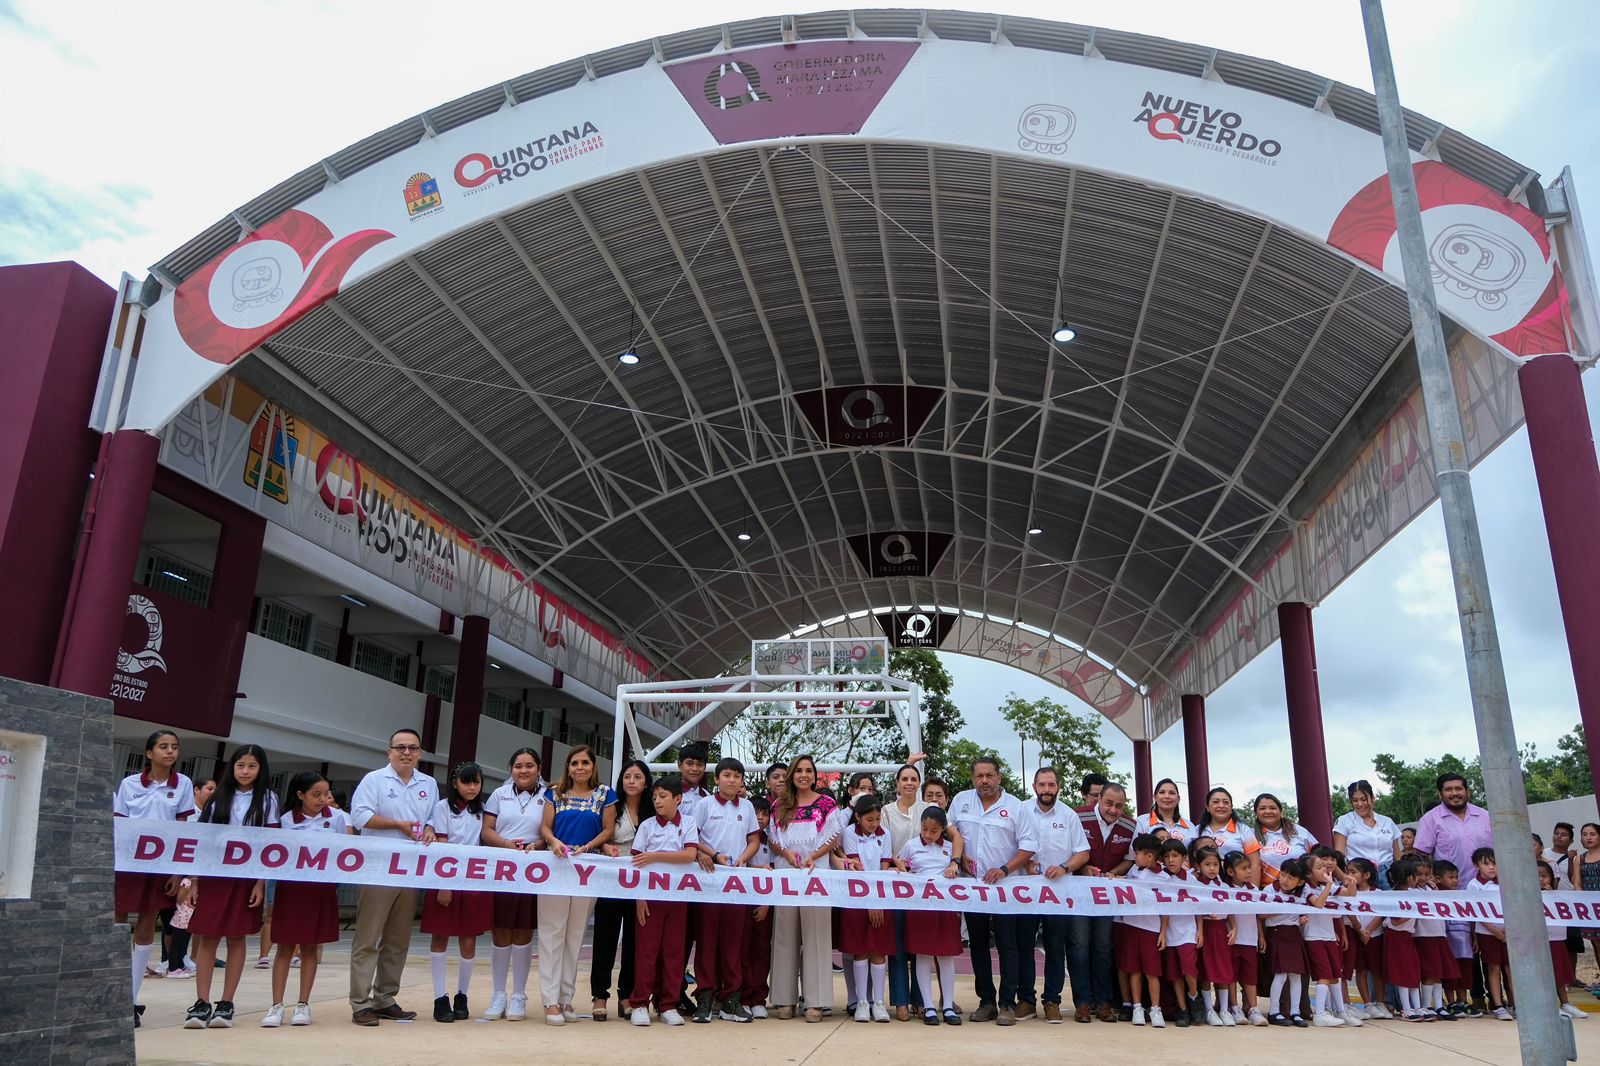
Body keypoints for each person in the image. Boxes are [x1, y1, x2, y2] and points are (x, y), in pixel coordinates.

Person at [185, 744, 279, 1029]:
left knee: (236, 937)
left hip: (246, 875)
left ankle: (226, 1003)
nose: (246, 771)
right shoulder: (217, 798)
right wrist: (195, 880)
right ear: (232, 767)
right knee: (207, 936)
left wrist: (261, 882)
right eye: (241, 765)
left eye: (252, 766)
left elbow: (270, 844)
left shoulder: (269, 799)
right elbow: (203, 840)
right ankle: (201, 1003)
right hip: (215, 874)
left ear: (261, 769)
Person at [347, 727, 437, 1026]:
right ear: (389, 752)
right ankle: (360, 1003)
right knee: (368, 938)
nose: (406, 752)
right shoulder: (375, 780)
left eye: (412, 747)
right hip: (378, 868)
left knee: (398, 939)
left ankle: (384, 997)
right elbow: (359, 817)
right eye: (400, 747)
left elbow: (432, 821)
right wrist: (397, 824)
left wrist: (429, 829)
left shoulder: (429, 783)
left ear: (420, 753)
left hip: (410, 871)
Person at [114, 729, 197, 1028]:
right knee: (117, 923)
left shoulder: (183, 784)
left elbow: (183, 829)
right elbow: (119, 824)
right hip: (126, 862)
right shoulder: (129, 784)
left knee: (148, 925)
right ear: (149, 753)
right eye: (163, 747)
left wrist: (178, 871)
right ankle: (110, 991)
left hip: (160, 865)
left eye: (174, 747)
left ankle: (131, 999)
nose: (170, 752)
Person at [950, 756, 1038, 1025]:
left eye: (989, 776)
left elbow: (1029, 846)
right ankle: (986, 1001)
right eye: (979, 776)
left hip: (1006, 888)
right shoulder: (961, 800)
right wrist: (960, 854)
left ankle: (1007, 1004)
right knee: (977, 945)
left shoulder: (1016, 807)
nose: (984, 781)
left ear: (999, 777)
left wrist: (1005, 869)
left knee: (1007, 945)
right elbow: (949, 827)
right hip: (973, 886)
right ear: (973, 778)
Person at [264, 770, 350, 1028]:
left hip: (320, 887)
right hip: (291, 887)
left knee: (310, 946)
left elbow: (343, 851)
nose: (323, 799)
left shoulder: (336, 819)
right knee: (285, 946)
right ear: (300, 795)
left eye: (326, 794)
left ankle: (303, 1004)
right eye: (316, 794)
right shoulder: (286, 820)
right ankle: (276, 1005)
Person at [539, 744, 615, 1024]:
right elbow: (545, 827)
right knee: (552, 933)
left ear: (593, 766)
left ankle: (565, 999)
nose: (580, 768)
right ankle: (549, 1000)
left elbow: (608, 829)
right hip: (556, 866)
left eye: (585, 763)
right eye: (575, 763)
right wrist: (554, 841)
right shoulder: (554, 792)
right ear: (568, 767)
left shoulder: (605, 794)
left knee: (575, 934)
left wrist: (589, 846)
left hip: (588, 867)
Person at [769, 753, 844, 1021]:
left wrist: (815, 855)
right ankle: (783, 999)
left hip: (816, 873)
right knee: (785, 935)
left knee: (816, 936)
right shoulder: (780, 804)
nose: (804, 775)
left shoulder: (826, 804)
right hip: (787, 873)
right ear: (791, 774)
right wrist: (787, 855)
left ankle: (816, 1001)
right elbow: (774, 838)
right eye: (798, 770)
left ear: (814, 775)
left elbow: (834, 836)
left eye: (808, 771)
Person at [691, 756, 760, 1023]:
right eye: (727, 775)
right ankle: (705, 996)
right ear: (717, 778)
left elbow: (754, 839)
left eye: (736, 776)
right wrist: (714, 854)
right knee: (707, 940)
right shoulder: (704, 804)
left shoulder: (748, 807)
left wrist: (743, 857)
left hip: (736, 881)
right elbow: (692, 837)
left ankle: (732, 998)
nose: (732, 780)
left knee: (734, 941)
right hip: (709, 879)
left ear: (742, 780)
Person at [422, 763, 491, 1024]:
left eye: (477, 782)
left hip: (473, 881)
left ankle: (462, 995)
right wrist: (444, 884)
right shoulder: (441, 808)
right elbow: (441, 845)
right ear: (454, 783)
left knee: (469, 941)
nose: (472, 787)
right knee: (440, 938)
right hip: (446, 880)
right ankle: (440, 997)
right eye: (466, 782)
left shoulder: (483, 810)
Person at [1019, 766, 1089, 1023]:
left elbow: (1083, 853)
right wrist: (1023, 863)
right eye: (1042, 785)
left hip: (1059, 893)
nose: (1046, 790)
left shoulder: (1069, 816)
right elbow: (1013, 845)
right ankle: (1025, 1000)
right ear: (1034, 787)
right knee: (1024, 946)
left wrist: (1064, 868)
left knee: (1055, 948)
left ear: (1058, 787)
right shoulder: (1022, 810)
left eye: (1051, 785)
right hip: (1025, 891)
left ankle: (1052, 1001)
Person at [480, 747, 545, 1020]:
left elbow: (550, 831)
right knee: (501, 931)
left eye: (530, 765)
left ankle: (518, 995)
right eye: (518, 766)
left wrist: (537, 845)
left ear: (538, 769)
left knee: (523, 931)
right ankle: (498, 994)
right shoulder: (498, 795)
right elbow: (486, 830)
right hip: (503, 868)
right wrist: (507, 844)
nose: (524, 770)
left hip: (534, 869)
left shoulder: (549, 795)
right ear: (511, 770)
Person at [629, 775, 698, 1026]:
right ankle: (639, 1003)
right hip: (650, 898)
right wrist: (639, 898)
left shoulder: (688, 823)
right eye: (655, 796)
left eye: (663, 796)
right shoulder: (647, 826)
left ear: (677, 799)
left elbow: (690, 855)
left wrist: (655, 855)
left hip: (678, 896)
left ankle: (668, 1004)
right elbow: (637, 864)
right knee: (647, 952)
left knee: (674, 952)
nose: (657, 801)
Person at [592, 759, 650, 1022]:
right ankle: (599, 995)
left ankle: (626, 995)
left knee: (635, 941)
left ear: (646, 781)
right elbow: (600, 837)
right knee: (605, 938)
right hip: (612, 878)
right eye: (627, 777)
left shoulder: (653, 808)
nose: (632, 781)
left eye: (637, 777)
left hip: (642, 883)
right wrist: (606, 848)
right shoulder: (611, 806)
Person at [1072, 781, 1135, 1022]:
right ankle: (1082, 1003)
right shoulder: (1077, 817)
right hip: (1077, 893)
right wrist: (1082, 867)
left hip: (1107, 897)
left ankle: (1104, 1002)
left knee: (1104, 948)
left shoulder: (1130, 825)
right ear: (1098, 800)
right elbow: (1066, 851)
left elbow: (1129, 859)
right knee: (1079, 946)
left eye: (1119, 806)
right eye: (1109, 803)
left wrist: (1114, 873)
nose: (1113, 810)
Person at [897, 805, 964, 1025]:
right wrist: (900, 868)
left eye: (934, 831)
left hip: (945, 908)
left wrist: (954, 867)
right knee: (922, 956)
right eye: (924, 829)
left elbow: (959, 875)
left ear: (943, 829)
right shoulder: (911, 846)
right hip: (920, 908)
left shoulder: (950, 849)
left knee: (946, 957)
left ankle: (948, 1006)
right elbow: (899, 866)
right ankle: (928, 1006)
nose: (928, 834)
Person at [840, 795, 895, 1022]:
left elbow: (883, 868)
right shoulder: (849, 833)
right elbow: (857, 868)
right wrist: (867, 901)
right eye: (869, 819)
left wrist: (876, 901)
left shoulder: (886, 835)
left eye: (877, 819)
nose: (874, 824)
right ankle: (862, 1001)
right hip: (856, 898)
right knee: (860, 949)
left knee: (879, 950)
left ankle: (878, 1002)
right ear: (858, 817)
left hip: (880, 898)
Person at [884, 763, 929, 1020]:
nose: (909, 783)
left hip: (923, 884)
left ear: (919, 783)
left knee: (920, 944)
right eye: (904, 779)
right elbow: (879, 840)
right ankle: (900, 1000)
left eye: (913, 779)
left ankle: (921, 999)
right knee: (898, 943)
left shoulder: (928, 810)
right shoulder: (886, 812)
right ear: (898, 784)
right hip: (896, 881)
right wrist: (894, 859)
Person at [1118, 834, 1168, 1027]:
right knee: (1134, 970)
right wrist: (1114, 879)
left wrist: (1163, 932)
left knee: (1151, 972)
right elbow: (1125, 884)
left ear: (1149, 856)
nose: (1134, 856)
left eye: (1137, 853)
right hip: (1131, 926)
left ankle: (1155, 1009)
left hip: (1151, 929)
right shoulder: (1134, 870)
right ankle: (1137, 1007)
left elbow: (1166, 908)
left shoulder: (1164, 877)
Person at [1414, 773, 1493, 885]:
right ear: (1440, 794)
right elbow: (1421, 855)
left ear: (1467, 792)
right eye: (1448, 789)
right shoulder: (1430, 819)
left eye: (1459, 789)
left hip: (1488, 888)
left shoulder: (1485, 816)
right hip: (1452, 893)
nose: (1454, 793)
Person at [1302, 853, 1352, 1027]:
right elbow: (1318, 904)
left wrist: (1350, 883)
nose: (1324, 869)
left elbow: (1349, 895)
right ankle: (1320, 1013)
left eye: (1324, 866)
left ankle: (1341, 1011)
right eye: (1319, 867)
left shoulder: (1327, 885)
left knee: (1335, 975)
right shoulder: (1307, 889)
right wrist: (1329, 884)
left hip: (1330, 935)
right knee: (1323, 975)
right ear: (1308, 874)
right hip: (1313, 936)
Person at [1157, 839, 1202, 1026]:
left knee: (1189, 968)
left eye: (1175, 855)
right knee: (1174, 973)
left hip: (1188, 931)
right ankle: (1182, 1008)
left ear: (1184, 858)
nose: (1170, 860)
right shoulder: (1161, 878)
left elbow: (1200, 905)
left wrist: (1200, 929)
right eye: (1166, 856)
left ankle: (1194, 998)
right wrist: (1163, 931)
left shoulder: (1191, 879)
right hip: (1168, 932)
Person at [1261, 856, 1310, 1027]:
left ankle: (1295, 1012)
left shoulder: (1302, 893)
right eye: (1283, 875)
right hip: (1277, 932)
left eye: (1291, 878)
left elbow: (1305, 911)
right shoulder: (1269, 889)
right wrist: (1278, 908)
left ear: (1300, 882)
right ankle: (1274, 1011)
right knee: (1280, 975)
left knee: (1296, 975)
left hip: (1294, 933)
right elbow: (1260, 914)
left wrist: (1302, 918)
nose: (1285, 880)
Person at [1190, 846, 1235, 1026]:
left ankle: (1224, 1009)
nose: (1212, 868)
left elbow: (1232, 910)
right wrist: (1199, 930)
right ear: (1198, 866)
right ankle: (1209, 1009)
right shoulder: (1195, 884)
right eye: (1207, 864)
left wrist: (1234, 928)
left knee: (1223, 970)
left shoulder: (1224, 886)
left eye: (1215, 864)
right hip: (1206, 929)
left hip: (1221, 930)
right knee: (1207, 971)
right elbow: (1196, 910)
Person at [741, 797, 776, 1017]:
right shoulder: (741, 839)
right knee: (742, 949)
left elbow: (775, 874)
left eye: (765, 814)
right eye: (756, 814)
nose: (761, 819)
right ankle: (743, 996)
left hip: (764, 903)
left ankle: (758, 998)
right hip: (741, 901)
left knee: (762, 950)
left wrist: (766, 903)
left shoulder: (772, 842)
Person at [1539, 861, 1588, 1020]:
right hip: (1541, 941)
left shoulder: (1558, 896)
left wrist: (1551, 894)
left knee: (1559, 974)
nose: (1541, 879)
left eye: (1545, 876)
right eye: (1537, 876)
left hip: (1557, 939)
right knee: (1547, 975)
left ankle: (1565, 1003)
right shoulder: (1528, 897)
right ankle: (1551, 1005)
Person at [1332, 780, 1403, 888]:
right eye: (1355, 800)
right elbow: (1339, 856)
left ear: (1372, 798)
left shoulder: (1387, 821)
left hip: (1389, 876)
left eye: (1364, 799)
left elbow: (1398, 857)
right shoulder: (1344, 821)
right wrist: (1344, 879)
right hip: (1360, 877)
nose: (1360, 804)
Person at [1469, 847, 1512, 1020]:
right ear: (1476, 865)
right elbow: (1476, 912)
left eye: (1494, 863)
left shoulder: (1505, 882)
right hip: (1487, 932)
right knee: (1493, 967)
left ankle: (1515, 1003)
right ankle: (1498, 1004)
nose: (1491, 868)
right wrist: (1494, 931)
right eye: (1486, 864)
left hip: (1509, 932)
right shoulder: (1474, 885)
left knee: (1510, 968)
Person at [1382, 858, 1425, 1020]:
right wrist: (1414, 911)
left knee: (1413, 972)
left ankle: (1418, 1006)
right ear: (1409, 878)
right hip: (1396, 937)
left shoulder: (1414, 894)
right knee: (1402, 973)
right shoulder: (1395, 896)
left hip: (1407, 937)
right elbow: (1396, 920)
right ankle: (1406, 1009)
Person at [1193, 787, 1260, 886]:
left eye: (1226, 802)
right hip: (1204, 888)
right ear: (1207, 807)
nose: (1221, 805)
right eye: (1215, 802)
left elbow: (1255, 864)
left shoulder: (1243, 830)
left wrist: (1253, 892)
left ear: (1231, 808)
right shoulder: (1197, 830)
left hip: (1238, 889)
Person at [1251, 793, 1311, 887]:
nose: (1268, 811)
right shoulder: (1250, 836)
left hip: (1304, 891)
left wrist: (1341, 877)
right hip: (1270, 893)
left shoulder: (1298, 830)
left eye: (1272, 808)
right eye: (1262, 808)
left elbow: (1320, 856)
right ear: (1256, 813)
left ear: (1280, 811)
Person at [1136, 778, 1196, 843]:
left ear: (1178, 799)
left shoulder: (1190, 826)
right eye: (1162, 792)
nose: (1167, 796)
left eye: (1172, 793)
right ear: (1155, 797)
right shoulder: (1141, 822)